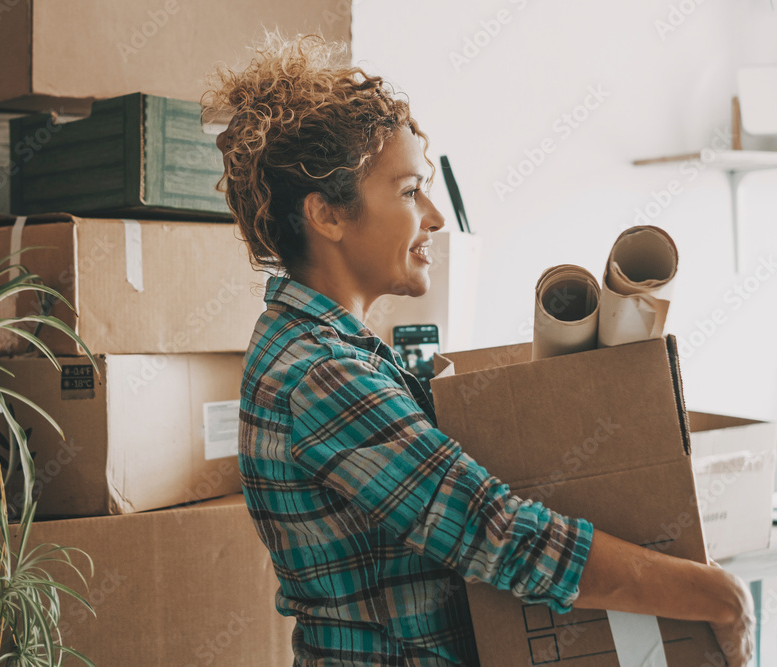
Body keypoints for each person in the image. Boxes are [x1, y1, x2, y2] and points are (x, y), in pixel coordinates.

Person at [205, 32, 754, 667]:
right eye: (410, 191)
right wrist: (718, 596)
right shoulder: (321, 375)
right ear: (328, 215)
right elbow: (497, 535)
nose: (435, 218)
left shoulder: (331, 350)